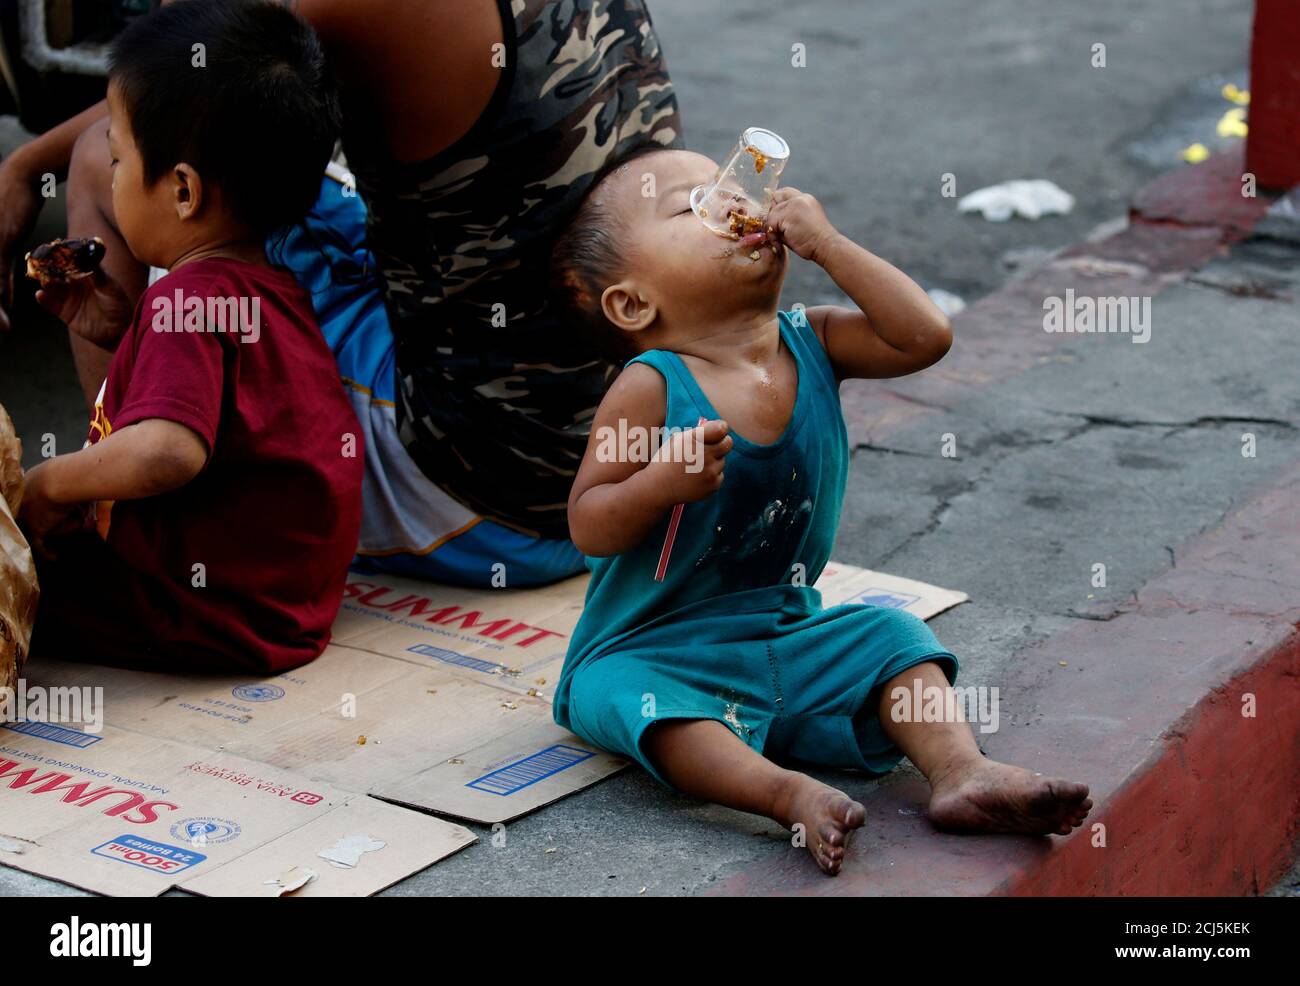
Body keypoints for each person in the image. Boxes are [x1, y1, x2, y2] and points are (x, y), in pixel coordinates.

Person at [0, 0, 683, 588]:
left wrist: (30, 165)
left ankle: (128, 523)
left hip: (501, 495)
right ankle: (147, 399)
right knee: (230, 188)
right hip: (629, 433)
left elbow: (172, 71)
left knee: (103, 159)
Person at [548, 147, 1093, 875]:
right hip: (654, 648)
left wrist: (829, 245)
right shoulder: (651, 387)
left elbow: (925, 336)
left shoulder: (816, 340)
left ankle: (964, 772)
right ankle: (784, 794)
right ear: (633, 303)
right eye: (691, 207)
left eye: (727, 190)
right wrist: (657, 483)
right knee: (632, 698)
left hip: (784, 636)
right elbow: (587, 520)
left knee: (893, 635)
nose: (730, 207)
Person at [17, 0, 362, 673]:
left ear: (183, 191)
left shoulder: (187, 297)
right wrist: (126, 338)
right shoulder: (274, 289)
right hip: (281, 608)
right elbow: (222, 418)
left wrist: (53, 482)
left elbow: (169, 452)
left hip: (198, 611)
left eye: (116, 160)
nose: (109, 179)